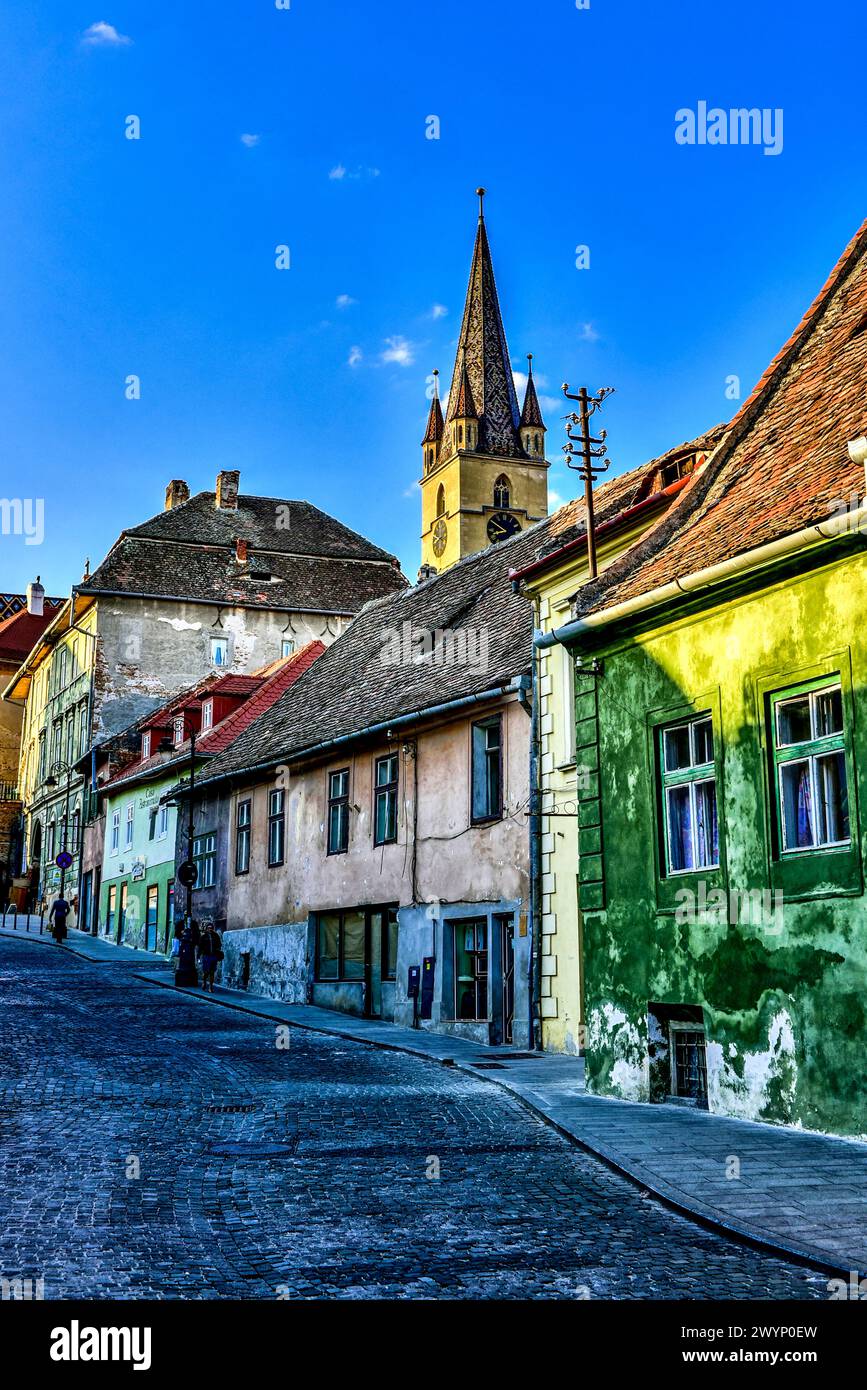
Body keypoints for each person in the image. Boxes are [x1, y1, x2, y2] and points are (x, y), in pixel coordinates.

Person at [198, 923, 223, 992]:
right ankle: (204, 981)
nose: (210, 929)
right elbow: (200, 947)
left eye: (211, 928)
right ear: (206, 928)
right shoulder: (203, 937)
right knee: (206, 972)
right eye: (209, 928)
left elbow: (219, 944)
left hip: (213, 956)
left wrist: (218, 951)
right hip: (206, 956)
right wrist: (198, 956)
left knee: (212, 972)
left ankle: (210, 987)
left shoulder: (216, 936)